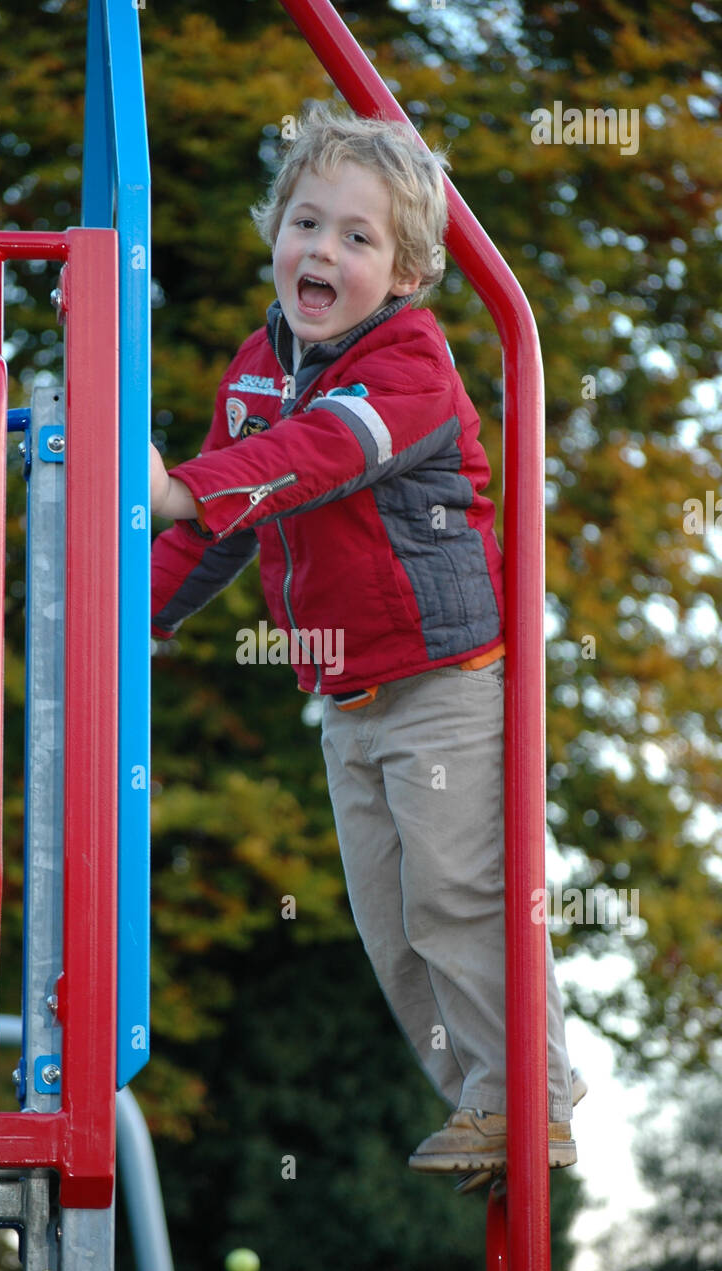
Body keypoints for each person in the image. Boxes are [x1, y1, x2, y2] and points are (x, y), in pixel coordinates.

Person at [149, 105, 577, 1180]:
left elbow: (323, 454)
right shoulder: (258, 368)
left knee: (459, 892)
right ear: (273, 232)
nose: (323, 251)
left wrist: (182, 488)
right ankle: (483, 1102)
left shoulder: (409, 368)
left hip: (445, 681)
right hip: (348, 696)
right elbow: (219, 523)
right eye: (306, 223)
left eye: (358, 237)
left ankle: (529, 1097)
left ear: (408, 270)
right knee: (391, 921)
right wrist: (128, 615)